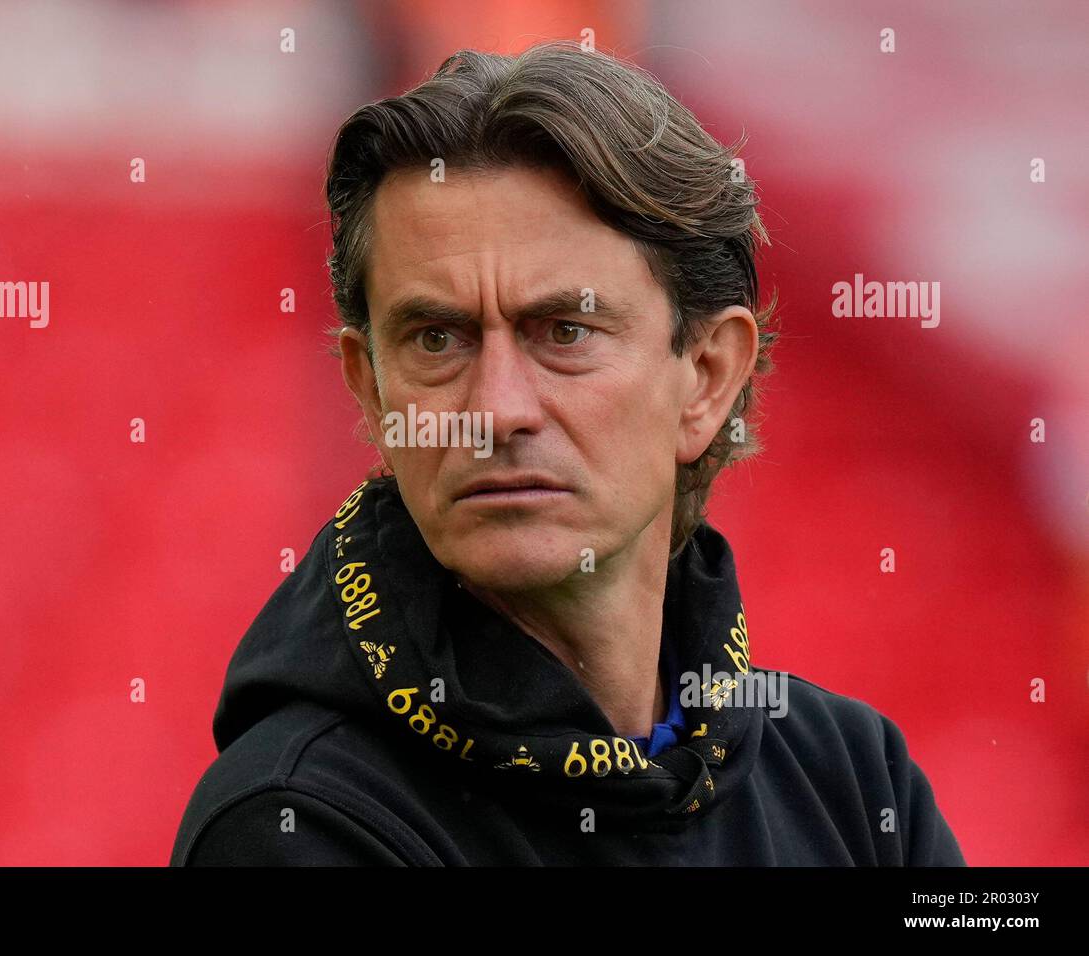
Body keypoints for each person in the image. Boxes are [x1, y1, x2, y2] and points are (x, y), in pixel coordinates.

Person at [170, 41, 966, 866]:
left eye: (566, 332)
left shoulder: (856, 783)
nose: (497, 409)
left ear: (706, 378)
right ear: (370, 390)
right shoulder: (297, 822)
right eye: (436, 339)